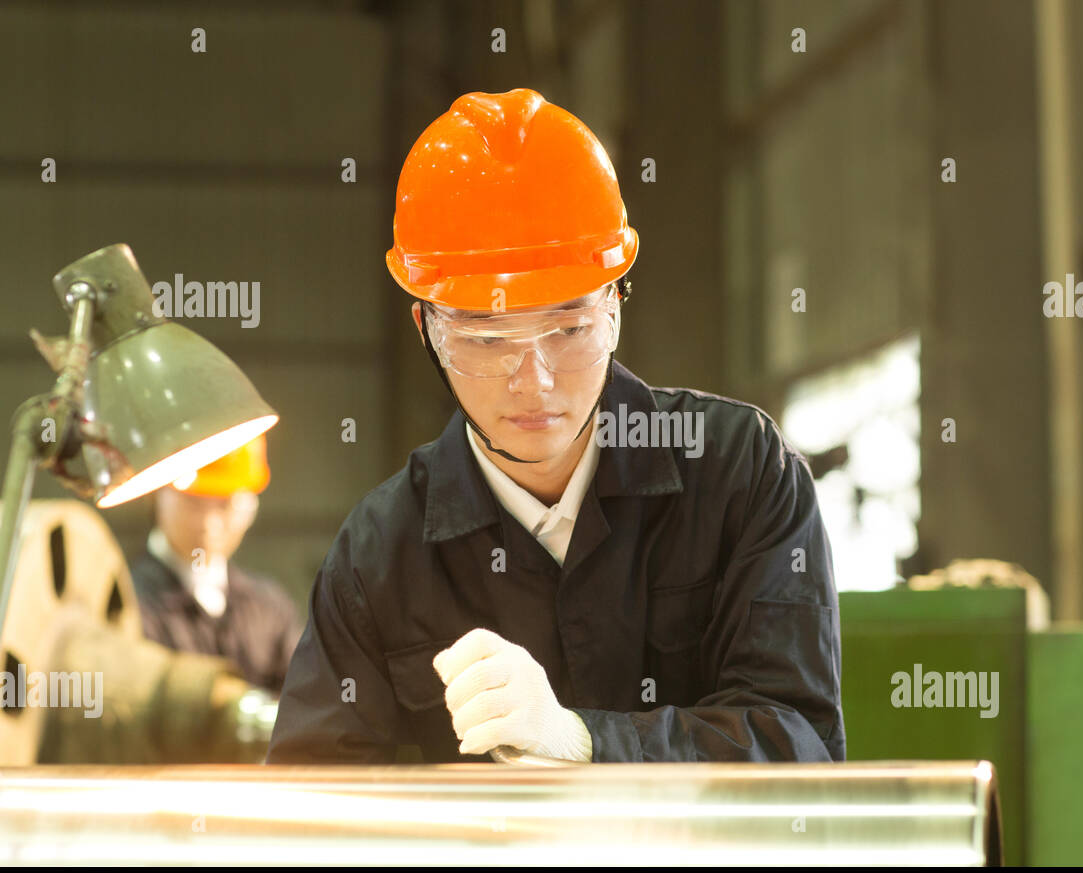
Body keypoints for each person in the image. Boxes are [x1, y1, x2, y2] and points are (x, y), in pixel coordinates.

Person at [267, 88, 844, 764]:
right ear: (427, 330)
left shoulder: (739, 475)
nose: (533, 380)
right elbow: (316, 804)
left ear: (615, 305)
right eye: (486, 340)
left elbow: (798, 746)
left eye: (568, 328)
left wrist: (580, 741)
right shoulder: (380, 556)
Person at [130, 434, 302, 694]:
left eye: (225, 504)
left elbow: (305, 701)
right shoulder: (126, 606)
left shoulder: (270, 608)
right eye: (193, 501)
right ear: (157, 495)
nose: (209, 523)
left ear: (251, 506)